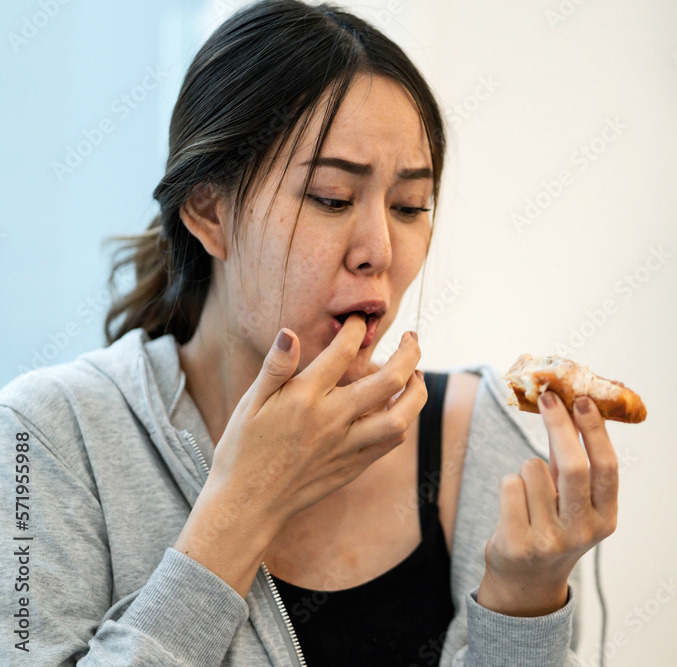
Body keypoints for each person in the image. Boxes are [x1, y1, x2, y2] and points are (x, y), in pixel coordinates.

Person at [0, 1, 619, 665]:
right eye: (330, 197)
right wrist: (244, 506)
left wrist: (523, 601)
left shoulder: (483, 442)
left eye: (409, 206)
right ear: (209, 210)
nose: (380, 248)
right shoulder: (46, 436)